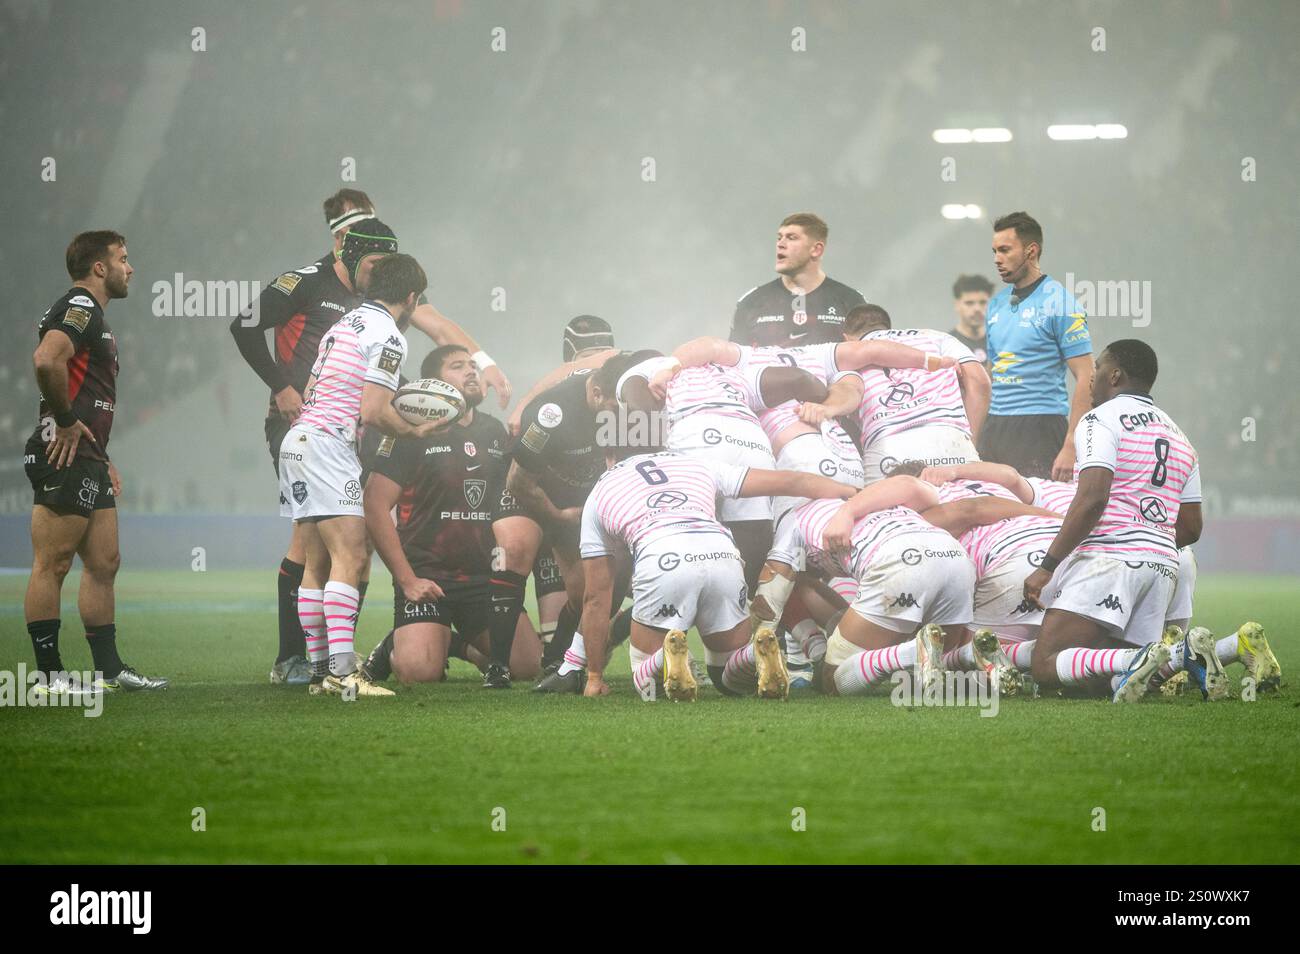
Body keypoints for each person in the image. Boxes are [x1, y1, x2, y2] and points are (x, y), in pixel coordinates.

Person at [279, 253, 443, 696]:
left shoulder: (344, 324)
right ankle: (343, 673)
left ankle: (319, 674)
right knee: (350, 557)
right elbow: (373, 411)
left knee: (317, 562)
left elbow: (313, 388)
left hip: (299, 441)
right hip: (329, 446)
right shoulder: (388, 336)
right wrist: (415, 429)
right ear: (410, 297)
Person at [578, 450, 860, 701]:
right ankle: (753, 654)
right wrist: (851, 492)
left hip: (662, 556)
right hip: (722, 553)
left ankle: (664, 657)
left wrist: (593, 677)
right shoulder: (695, 463)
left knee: (646, 679)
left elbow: (595, 600)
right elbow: (792, 481)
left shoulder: (600, 491)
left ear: (609, 458)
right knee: (729, 675)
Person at [1020, 340, 1211, 702]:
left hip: (1110, 559)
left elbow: (1092, 497)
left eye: (1096, 373)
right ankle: (1181, 655)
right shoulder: (1180, 436)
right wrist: (1149, 539)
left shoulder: (1099, 420)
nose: (1090, 382)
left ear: (1115, 374)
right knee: (1103, 677)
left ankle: (1141, 657)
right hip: (1162, 566)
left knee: (1045, 666)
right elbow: (1191, 528)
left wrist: (1047, 567)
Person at [23, 230, 167, 692]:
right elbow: (46, 360)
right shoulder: (81, 308)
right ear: (100, 268)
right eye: (124, 259)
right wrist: (64, 420)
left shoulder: (92, 316)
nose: (131, 268)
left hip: (88, 455)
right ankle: (47, 676)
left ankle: (109, 670)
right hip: (61, 451)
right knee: (54, 562)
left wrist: (102, 456)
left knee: (105, 562)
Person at [360, 345, 541, 687]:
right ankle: (392, 646)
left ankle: (460, 648)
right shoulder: (410, 431)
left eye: (473, 365)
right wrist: (408, 581)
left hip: (485, 579)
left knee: (527, 666)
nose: (472, 371)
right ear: (433, 384)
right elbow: (374, 505)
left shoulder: (494, 432)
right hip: (429, 577)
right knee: (419, 673)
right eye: (458, 367)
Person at [980, 212, 1093, 480]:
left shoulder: (1061, 303)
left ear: (1031, 251)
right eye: (994, 251)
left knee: (1035, 517)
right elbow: (990, 372)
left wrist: (1071, 445)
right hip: (995, 427)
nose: (997, 258)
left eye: (1005, 250)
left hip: (1040, 426)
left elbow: (1089, 376)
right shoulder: (995, 305)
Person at [842, 304, 991, 482]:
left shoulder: (846, 352)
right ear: (887, 326)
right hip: (948, 438)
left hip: (887, 446)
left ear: (846, 338)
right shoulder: (937, 337)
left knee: (889, 509)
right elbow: (979, 382)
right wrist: (968, 440)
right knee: (964, 504)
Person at [729, 213, 866, 346]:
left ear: (816, 250)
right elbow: (733, 364)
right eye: (779, 238)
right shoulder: (751, 302)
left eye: (791, 238)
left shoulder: (852, 302)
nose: (780, 244)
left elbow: (871, 361)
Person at [948, 274, 993, 364]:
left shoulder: (1000, 343)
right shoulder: (947, 345)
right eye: (969, 303)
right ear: (957, 305)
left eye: (983, 302)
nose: (977, 309)